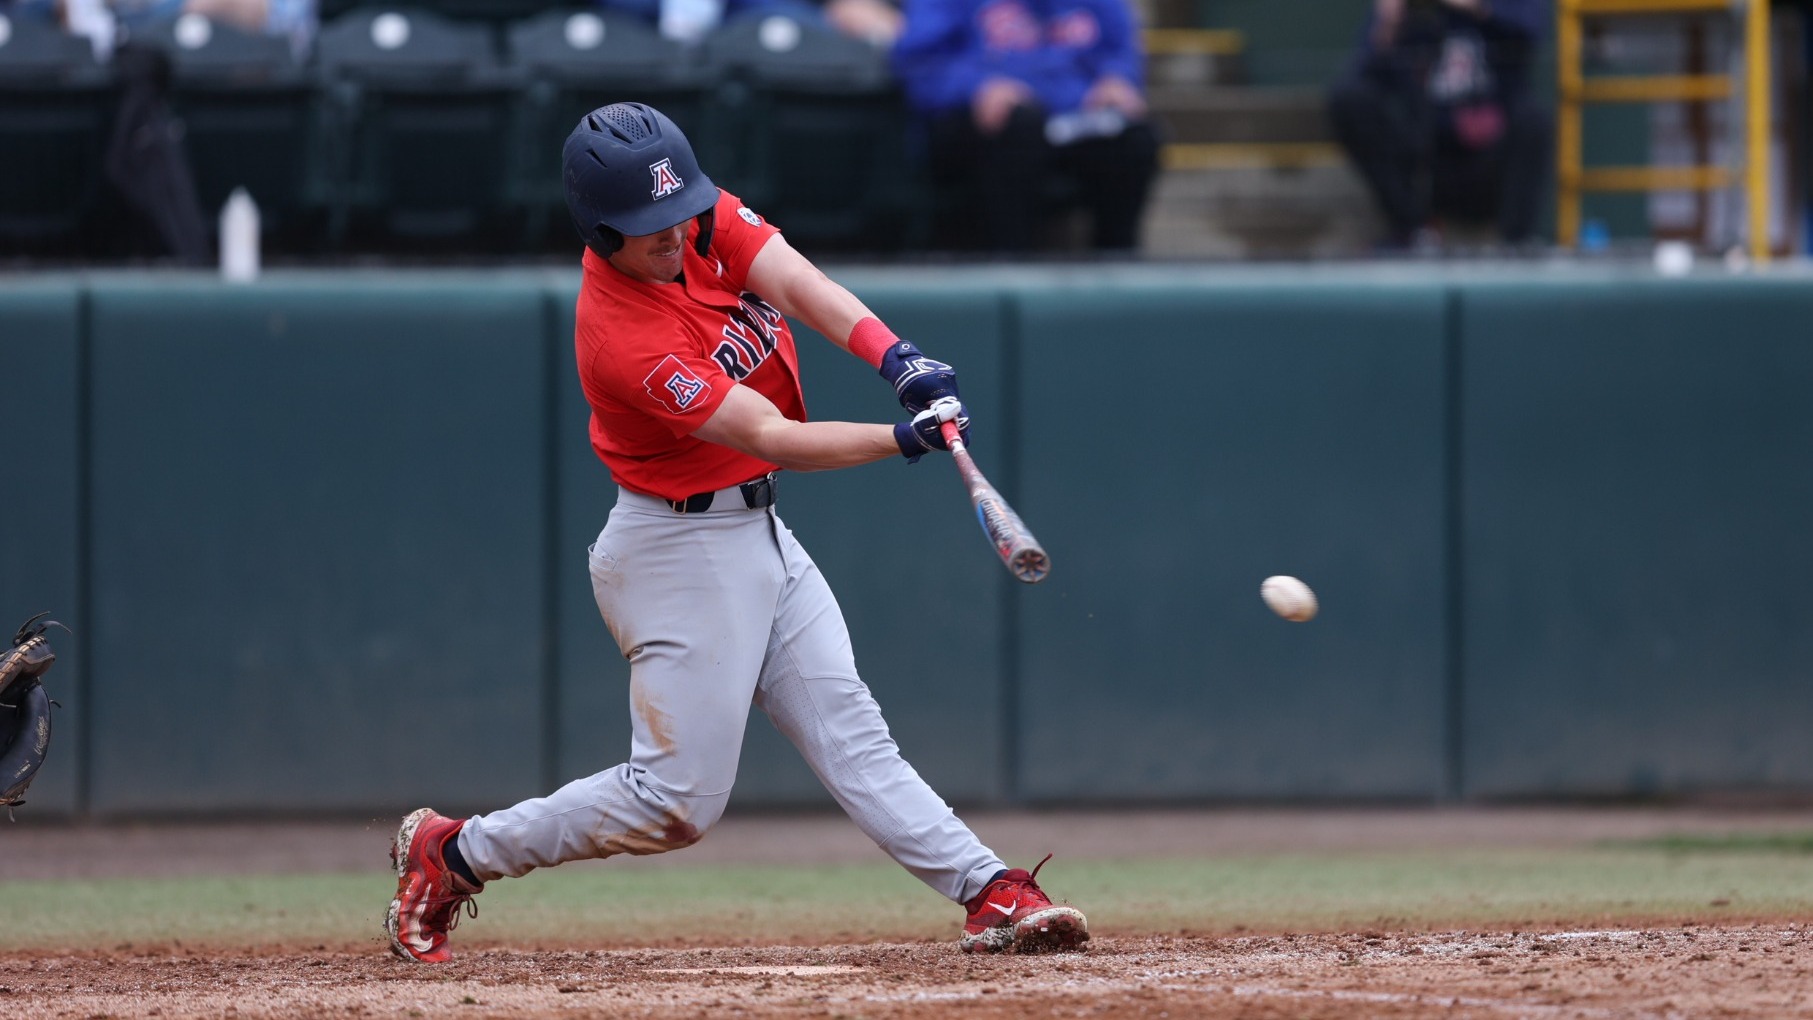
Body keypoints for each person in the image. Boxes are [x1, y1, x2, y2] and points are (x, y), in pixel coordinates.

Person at [383, 102, 1088, 964]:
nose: (677, 237)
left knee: (852, 733)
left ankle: (990, 891)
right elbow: (771, 437)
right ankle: (451, 854)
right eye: (651, 232)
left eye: (682, 216)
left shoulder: (687, 216)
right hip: (674, 554)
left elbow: (793, 279)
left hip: (757, 536)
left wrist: (894, 356)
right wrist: (899, 438)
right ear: (602, 233)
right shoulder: (621, 338)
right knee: (673, 805)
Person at [890, 0, 1160, 254]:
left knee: (1135, 136)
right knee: (1019, 129)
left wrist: (1117, 79)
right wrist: (976, 86)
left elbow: (1119, 51)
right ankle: (1009, 267)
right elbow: (920, 64)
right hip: (981, 124)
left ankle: (1117, 270)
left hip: (1072, 119)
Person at [1327, 0, 1552, 251]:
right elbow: (1364, 74)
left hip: (1487, 162)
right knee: (1350, 99)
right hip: (1426, 163)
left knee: (1533, 120)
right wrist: (1388, 24)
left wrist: (1473, 7)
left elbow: (1528, 34)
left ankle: (1516, 243)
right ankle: (1414, 234)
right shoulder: (1410, 10)